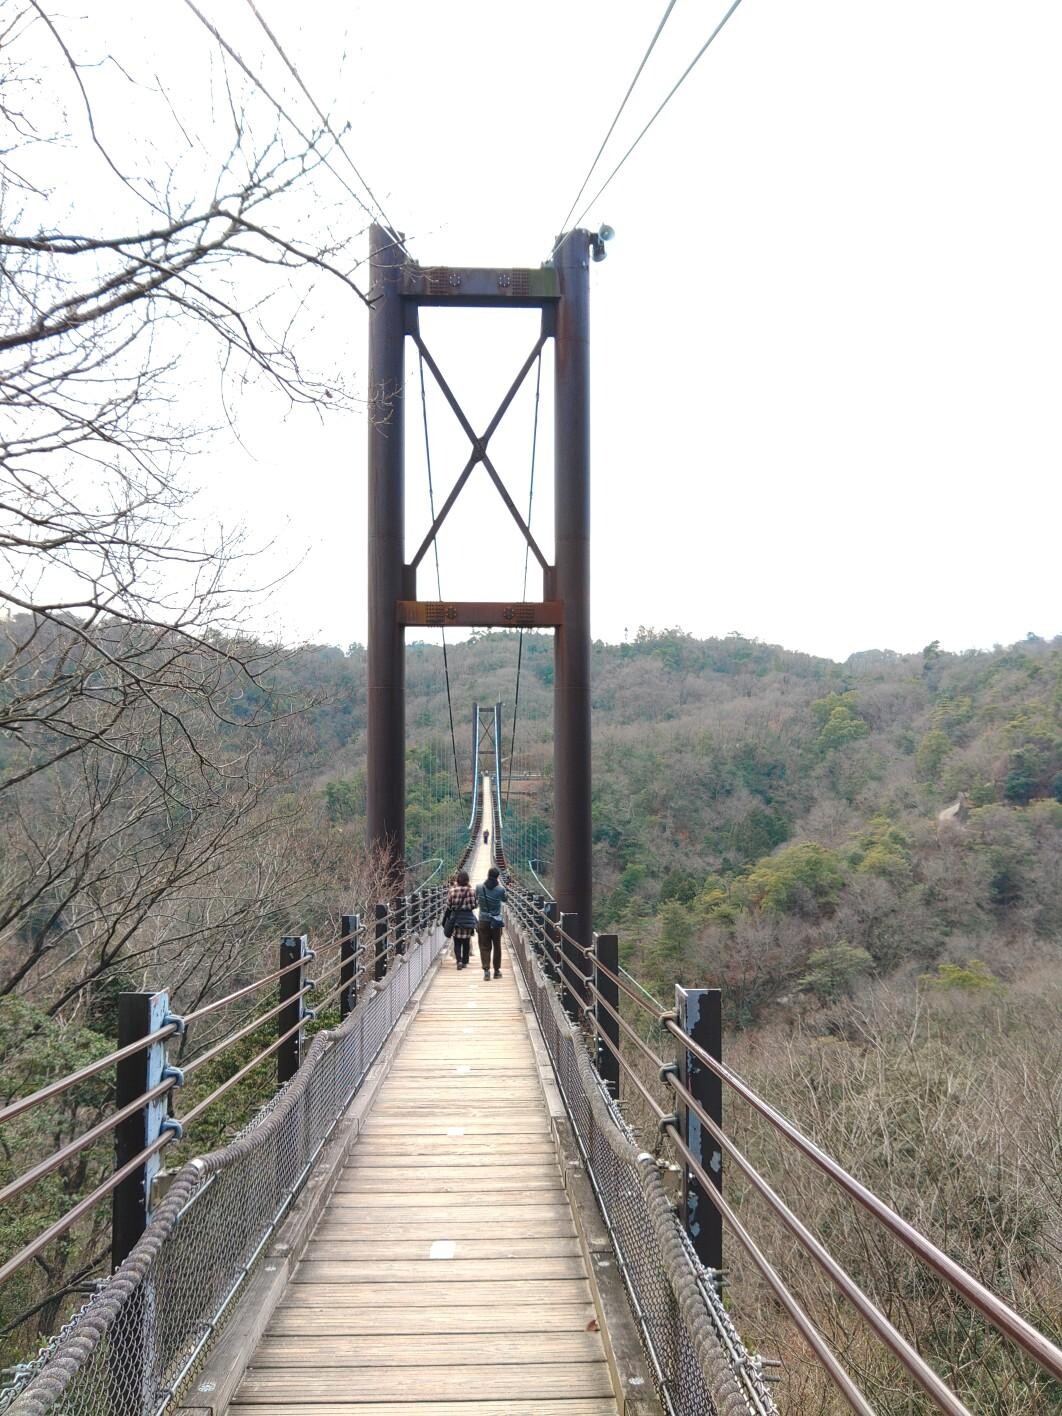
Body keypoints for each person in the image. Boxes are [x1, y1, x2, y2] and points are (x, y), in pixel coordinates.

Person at [475, 866, 507, 980]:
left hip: (483, 920)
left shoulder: (479, 887)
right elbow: (505, 899)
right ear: (497, 877)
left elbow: (475, 900)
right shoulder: (500, 889)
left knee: (484, 946)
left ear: (488, 875)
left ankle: (486, 971)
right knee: (497, 946)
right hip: (496, 922)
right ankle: (497, 971)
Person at [445, 870, 478, 969]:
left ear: (458, 879)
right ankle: (465, 961)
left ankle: (459, 961)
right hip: (468, 918)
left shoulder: (452, 891)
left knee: (457, 941)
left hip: (456, 919)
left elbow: (449, 906)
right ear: (467, 879)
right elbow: (475, 905)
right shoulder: (472, 891)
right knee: (466, 941)